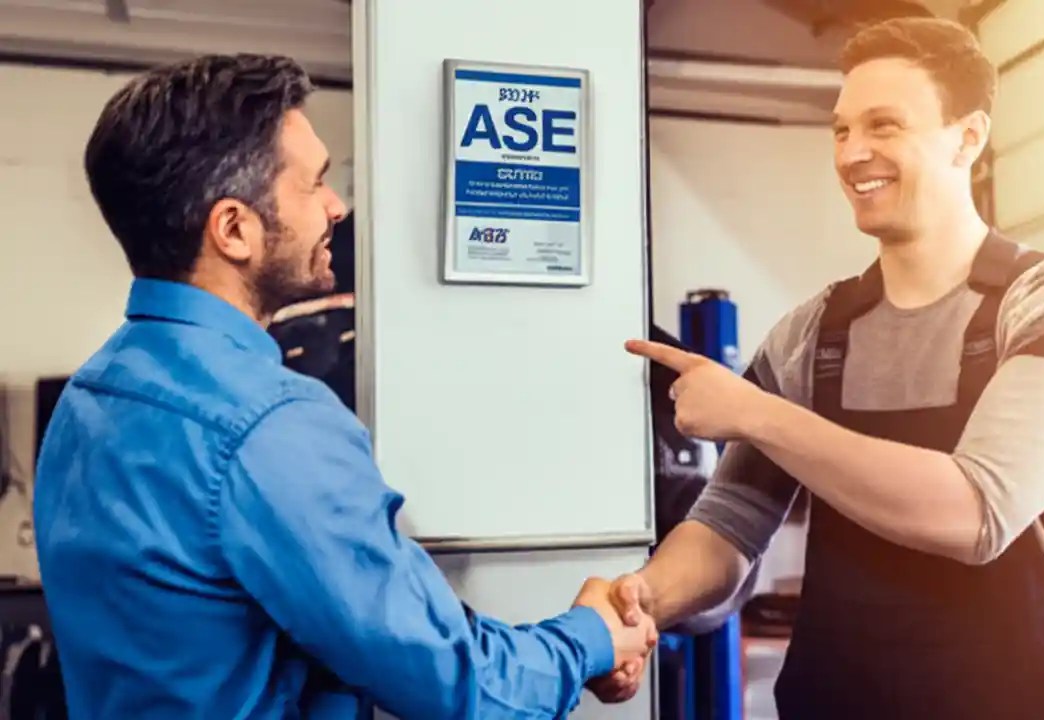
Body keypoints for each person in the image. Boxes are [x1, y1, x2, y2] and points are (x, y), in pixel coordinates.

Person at [31, 53, 656, 719]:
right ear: (234, 229)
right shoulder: (268, 424)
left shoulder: (90, 397)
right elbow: (460, 685)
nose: (336, 207)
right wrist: (590, 635)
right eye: (315, 184)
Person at [595, 17, 1044, 719]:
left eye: (884, 126)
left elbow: (976, 511)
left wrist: (753, 410)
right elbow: (729, 528)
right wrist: (639, 606)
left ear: (967, 138)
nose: (853, 154)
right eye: (841, 130)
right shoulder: (811, 335)